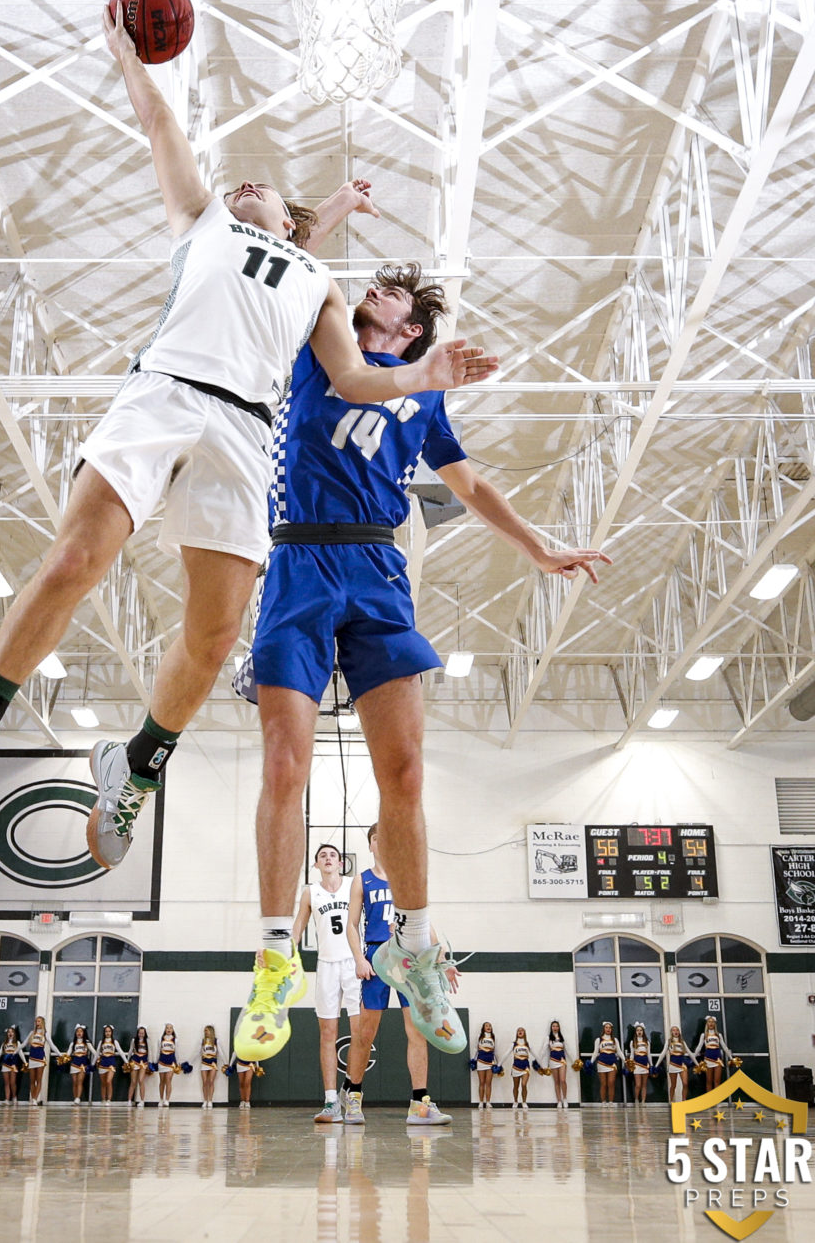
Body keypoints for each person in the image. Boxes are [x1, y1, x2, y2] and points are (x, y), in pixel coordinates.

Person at [0, 13, 490, 830]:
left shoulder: (319, 282)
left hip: (244, 432)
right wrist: (129, 60)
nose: (244, 185)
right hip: (163, 391)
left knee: (213, 634)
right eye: (240, 186)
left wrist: (421, 373)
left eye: (260, 188)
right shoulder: (204, 221)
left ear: (292, 220)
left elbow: (347, 378)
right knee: (71, 560)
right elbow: (161, 123)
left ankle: (136, 767)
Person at [231, 258, 609, 1065]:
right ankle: (271, 958)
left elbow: (469, 484)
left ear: (411, 330)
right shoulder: (317, 347)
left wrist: (540, 546)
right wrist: (323, 213)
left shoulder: (426, 391)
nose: (373, 289)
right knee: (282, 765)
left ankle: (415, 944)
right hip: (298, 563)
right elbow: (288, 263)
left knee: (403, 776)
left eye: (394, 296)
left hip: (378, 571)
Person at [333, 823, 455, 1128]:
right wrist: (359, 958)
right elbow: (351, 924)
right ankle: (353, 1095)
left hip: (408, 961)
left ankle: (420, 1104)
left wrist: (442, 959)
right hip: (376, 959)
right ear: (371, 845)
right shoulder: (361, 881)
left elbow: (425, 923)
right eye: (378, 839)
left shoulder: (408, 880)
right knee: (365, 1033)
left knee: (418, 1032)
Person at [292, 843, 361, 1122]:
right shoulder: (311, 892)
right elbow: (297, 929)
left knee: (360, 1034)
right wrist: (283, 955)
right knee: (327, 1035)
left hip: (356, 963)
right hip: (327, 965)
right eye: (323, 856)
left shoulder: (354, 886)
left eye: (333, 855)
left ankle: (353, 1093)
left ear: (341, 863)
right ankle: (331, 1101)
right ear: (317, 865)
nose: (328, 858)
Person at [23, 1017, 57, 1105]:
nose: (37, 1023)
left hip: (40, 1058)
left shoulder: (45, 1034)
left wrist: (60, 1054)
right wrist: (15, 1052)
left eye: (39, 1021)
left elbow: (52, 1045)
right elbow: (24, 1044)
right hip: (32, 1058)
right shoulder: (32, 1033)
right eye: (36, 1021)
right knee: (31, 1080)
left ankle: (35, 1098)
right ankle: (33, 1098)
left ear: (42, 1023)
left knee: (38, 1080)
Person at [694, 1016, 733, 1092]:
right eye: (709, 1022)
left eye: (712, 1022)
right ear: (707, 1024)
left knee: (717, 1081)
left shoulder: (718, 1035)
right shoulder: (704, 1035)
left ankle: (716, 1100)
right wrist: (693, 1056)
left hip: (717, 1059)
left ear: (715, 1024)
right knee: (709, 1081)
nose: (711, 1023)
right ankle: (710, 1100)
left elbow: (724, 1047)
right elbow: (699, 1046)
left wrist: (731, 1058)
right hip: (708, 1059)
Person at [502, 1028, 536, 1110]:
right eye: (518, 1030)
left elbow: (536, 1054)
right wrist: (499, 1064)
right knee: (516, 1086)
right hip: (516, 1066)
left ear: (524, 1033)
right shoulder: (513, 1044)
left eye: (522, 1030)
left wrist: (543, 1065)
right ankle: (515, 1101)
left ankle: (524, 1102)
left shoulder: (528, 1044)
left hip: (525, 1067)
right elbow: (506, 1054)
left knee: (524, 1085)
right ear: (517, 1033)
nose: (520, 1032)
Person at [539, 1020, 571, 1109]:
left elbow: (567, 1049)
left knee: (563, 1080)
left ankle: (565, 1098)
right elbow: (543, 1050)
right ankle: (559, 1101)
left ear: (559, 1027)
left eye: (557, 1026)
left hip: (562, 1061)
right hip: (553, 1061)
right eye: (553, 1026)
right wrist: (538, 1061)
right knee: (556, 1082)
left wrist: (574, 1060)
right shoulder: (548, 1038)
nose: (555, 1028)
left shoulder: (562, 1037)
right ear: (551, 1027)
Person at [0, 1025, 24, 1104]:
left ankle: (14, 1097)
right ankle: (7, 1099)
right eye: (9, 1032)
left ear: (14, 1033)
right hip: (5, 1065)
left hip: (13, 1065)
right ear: (7, 1034)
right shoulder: (4, 1044)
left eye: (12, 1032)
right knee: (6, 1083)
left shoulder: (17, 1043)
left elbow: (21, 1053)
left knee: (12, 1082)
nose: (10, 1033)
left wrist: (25, 1062)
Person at [590, 1021, 621, 1104]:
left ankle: (611, 1102)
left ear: (611, 1029)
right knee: (603, 1084)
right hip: (601, 1064)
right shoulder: (598, 1039)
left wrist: (626, 1060)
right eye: (606, 1027)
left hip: (612, 1064)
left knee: (611, 1083)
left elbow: (619, 1051)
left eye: (609, 1028)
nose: (608, 1029)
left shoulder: (615, 1040)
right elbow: (595, 1052)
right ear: (604, 1029)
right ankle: (603, 1102)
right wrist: (591, 1062)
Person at [472, 1022, 498, 1109]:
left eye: (490, 1025)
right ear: (483, 1028)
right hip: (480, 1061)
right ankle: (481, 1102)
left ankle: (488, 1102)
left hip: (490, 1062)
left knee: (489, 1083)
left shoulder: (493, 1037)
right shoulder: (479, 1037)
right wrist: (473, 1060)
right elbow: (475, 1049)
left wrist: (498, 1063)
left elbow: (495, 1051)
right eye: (487, 1025)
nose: (489, 1027)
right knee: (481, 1082)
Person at [664, 1025, 692, 1102]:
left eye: (677, 1030)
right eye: (673, 1030)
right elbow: (663, 1053)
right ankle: (671, 1101)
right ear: (671, 1032)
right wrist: (655, 1065)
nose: (675, 1032)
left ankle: (684, 1100)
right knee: (673, 1085)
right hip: (673, 1065)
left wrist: (696, 1063)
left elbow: (690, 1053)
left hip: (682, 1065)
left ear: (679, 1032)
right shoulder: (669, 1041)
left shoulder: (682, 1042)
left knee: (685, 1083)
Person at [65, 1025, 92, 1104]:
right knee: (75, 1082)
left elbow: (94, 1052)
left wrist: (99, 1057)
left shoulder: (87, 1043)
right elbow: (68, 1054)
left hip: (83, 1065)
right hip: (74, 1064)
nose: (79, 1033)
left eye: (81, 1031)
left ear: (84, 1033)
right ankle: (75, 1098)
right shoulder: (73, 1043)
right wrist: (63, 1058)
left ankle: (78, 1098)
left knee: (80, 1081)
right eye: (77, 1031)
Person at [127, 1025, 152, 1107]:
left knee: (141, 1081)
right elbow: (130, 1050)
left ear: (145, 1033)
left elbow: (150, 1051)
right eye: (140, 1033)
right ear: (137, 1033)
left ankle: (142, 1101)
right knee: (133, 1081)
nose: (141, 1034)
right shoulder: (134, 1040)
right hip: (135, 1061)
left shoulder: (147, 1040)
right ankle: (129, 1100)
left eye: (142, 1033)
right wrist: (127, 1061)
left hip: (144, 1062)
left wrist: (150, 1062)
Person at [96, 1024, 122, 1102]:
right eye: (106, 1031)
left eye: (109, 1031)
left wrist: (127, 1061)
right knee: (103, 1083)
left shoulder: (114, 1042)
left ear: (112, 1032)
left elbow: (120, 1052)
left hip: (111, 1063)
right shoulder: (101, 1042)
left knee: (108, 1081)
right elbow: (97, 1053)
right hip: (103, 1063)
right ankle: (103, 1099)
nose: (107, 1033)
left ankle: (109, 1099)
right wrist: (93, 1063)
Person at [628, 1022, 651, 1104]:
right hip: (637, 1065)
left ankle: (643, 1101)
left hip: (645, 1065)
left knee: (644, 1085)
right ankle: (636, 1099)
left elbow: (649, 1054)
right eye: (637, 1030)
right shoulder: (632, 1042)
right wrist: (630, 1065)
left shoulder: (647, 1042)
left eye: (641, 1030)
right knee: (638, 1085)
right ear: (635, 1032)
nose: (639, 1032)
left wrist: (651, 1065)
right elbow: (631, 1054)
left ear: (643, 1031)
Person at [199, 1026, 221, 1108]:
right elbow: (197, 1052)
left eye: (207, 1030)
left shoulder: (216, 1041)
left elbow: (220, 1052)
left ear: (211, 1031)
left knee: (211, 1081)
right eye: (204, 1031)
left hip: (213, 1064)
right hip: (204, 1063)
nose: (205, 1032)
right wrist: (189, 1062)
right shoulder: (202, 1041)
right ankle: (205, 1100)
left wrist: (226, 1063)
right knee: (204, 1082)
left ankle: (210, 1100)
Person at [157, 1024, 178, 1107]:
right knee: (162, 1081)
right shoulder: (160, 1039)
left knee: (168, 1080)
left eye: (170, 1028)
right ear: (165, 1029)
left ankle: (167, 1100)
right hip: (162, 1061)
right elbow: (157, 1051)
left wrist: (178, 1063)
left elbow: (177, 1052)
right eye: (167, 1028)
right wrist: (155, 1061)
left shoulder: (175, 1040)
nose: (169, 1029)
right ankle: (161, 1099)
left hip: (171, 1062)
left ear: (173, 1030)